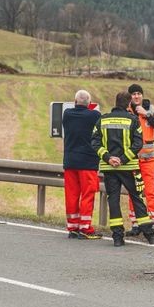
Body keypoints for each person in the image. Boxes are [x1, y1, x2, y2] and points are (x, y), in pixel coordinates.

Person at [92, 91, 154, 247]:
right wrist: (122, 159)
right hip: (130, 168)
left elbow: (95, 143)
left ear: (115, 102)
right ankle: (149, 234)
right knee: (137, 198)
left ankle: (117, 237)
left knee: (113, 200)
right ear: (129, 104)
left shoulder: (102, 120)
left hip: (109, 169)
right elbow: (138, 144)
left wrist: (109, 158)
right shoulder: (133, 120)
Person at [124, 83, 154, 235]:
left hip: (148, 160)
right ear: (130, 97)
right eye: (133, 94)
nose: (136, 96)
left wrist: (146, 114)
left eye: (138, 93)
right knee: (133, 192)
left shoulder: (151, 109)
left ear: (142, 95)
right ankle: (136, 224)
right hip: (132, 159)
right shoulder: (126, 110)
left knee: (150, 191)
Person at [61, 90, 102, 239]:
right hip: (88, 163)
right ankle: (85, 228)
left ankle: (73, 227)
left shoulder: (67, 114)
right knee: (87, 194)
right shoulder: (94, 116)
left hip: (70, 162)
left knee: (71, 195)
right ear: (90, 104)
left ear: (74, 101)